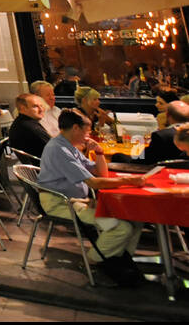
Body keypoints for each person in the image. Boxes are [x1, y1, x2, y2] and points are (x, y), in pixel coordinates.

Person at [37, 109, 149, 286]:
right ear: (75, 128)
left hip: (78, 201)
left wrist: (99, 153)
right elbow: (95, 183)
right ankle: (93, 260)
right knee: (122, 228)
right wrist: (130, 180)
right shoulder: (59, 149)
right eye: (87, 131)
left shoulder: (69, 147)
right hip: (62, 203)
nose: (88, 135)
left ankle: (117, 258)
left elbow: (100, 173)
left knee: (135, 220)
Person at [9, 94, 51, 160]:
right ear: (23, 108)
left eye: (41, 105)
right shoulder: (30, 127)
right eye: (35, 106)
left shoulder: (20, 123)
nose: (41, 109)